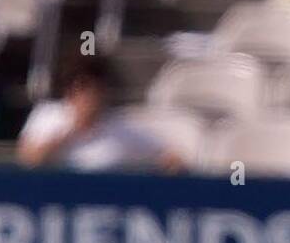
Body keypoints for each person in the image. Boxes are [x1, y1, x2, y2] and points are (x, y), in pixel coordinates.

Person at [17, 55, 185, 172]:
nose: (89, 98)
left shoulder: (122, 127)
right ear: (70, 92)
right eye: (82, 90)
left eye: (95, 90)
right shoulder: (47, 115)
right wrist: (70, 132)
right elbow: (29, 158)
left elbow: (171, 158)